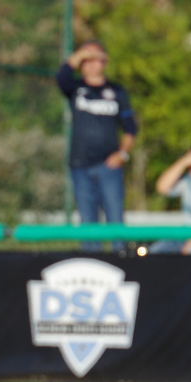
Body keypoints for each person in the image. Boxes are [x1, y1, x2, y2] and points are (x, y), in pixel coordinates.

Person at [56, 41, 137, 249]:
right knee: (88, 224)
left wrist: (122, 154)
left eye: (96, 59)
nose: (91, 64)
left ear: (104, 62)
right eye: (86, 60)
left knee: (115, 220)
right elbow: (61, 77)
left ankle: (120, 260)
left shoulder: (116, 91)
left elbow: (130, 128)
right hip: (80, 165)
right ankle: (92, 262)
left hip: (108, 167)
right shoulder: (75, 88)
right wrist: (81, 54)